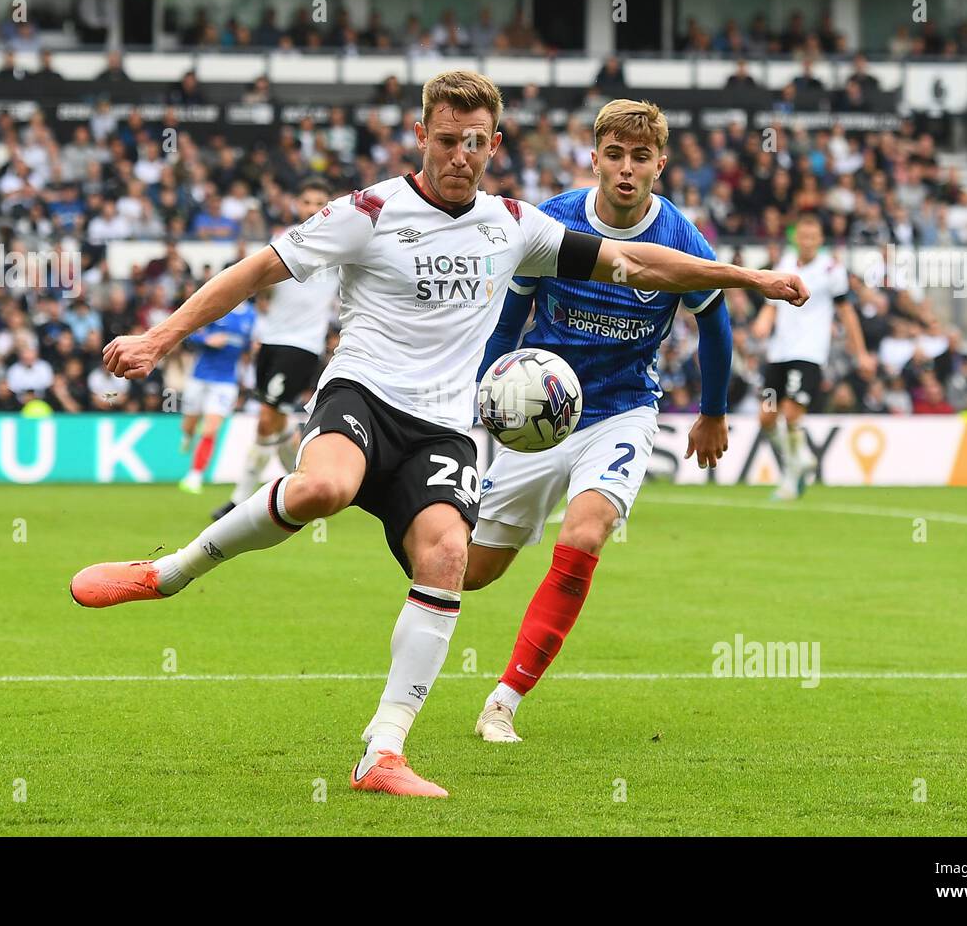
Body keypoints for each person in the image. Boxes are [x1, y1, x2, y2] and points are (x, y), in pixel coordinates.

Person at [69, 70, 808, 799]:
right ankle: (167, 574)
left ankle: (382, 754)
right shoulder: (368, 209)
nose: (461, 155)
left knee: (453, 559)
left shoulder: (517, 225)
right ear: (421, 136)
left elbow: (635, 261)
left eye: (476, 143)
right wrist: (160, 338)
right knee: (325, 487)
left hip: (445, 427)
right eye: (448, 140)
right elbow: (258, 269)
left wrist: (747, 277)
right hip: (364, 392)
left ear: (494, 144)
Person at [461, 99, 733, 742]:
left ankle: (503, 701)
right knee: (471, 571)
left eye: (641, 157)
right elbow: (509, 320)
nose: (627, 169)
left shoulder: (678, 238)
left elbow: (715, 318)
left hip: (622, 410)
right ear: (595, 159)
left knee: (585, 535)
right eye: (615, 155)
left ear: (660, 165)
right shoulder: (552, 223)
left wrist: (712, 411)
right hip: (536, 415)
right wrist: (478, 398)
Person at [215, 179, 339, 520]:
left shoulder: (339, 246)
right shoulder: (283, 241)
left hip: (302, 346)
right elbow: (264, 288)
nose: (313, 209)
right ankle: (302, 483)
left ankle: (240, 498)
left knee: (267, 418)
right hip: (269, 341)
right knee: (277, 418)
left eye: (319, 202)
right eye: (307, 202)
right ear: (296, 204)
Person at [751, 214, 871, 501]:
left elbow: (847, 312)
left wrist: (862, 352)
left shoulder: (831, 269)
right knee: (766, 417)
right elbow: (771, 304)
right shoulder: (785, 263)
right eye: (802, 236)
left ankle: (793, 475)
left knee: (791, 413)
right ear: (796, 238)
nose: (807, 241)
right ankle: (800, 460)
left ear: (820, 240)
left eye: (812, 237)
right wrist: (763, 321)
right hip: (778, 353)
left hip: (808, 354)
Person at [177, 298, 258, 494]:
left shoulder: (252, 315)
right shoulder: (220, 304)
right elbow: (189, 335)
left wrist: (253, 351)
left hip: (225, 382)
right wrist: (206, 340)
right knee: (189, 425)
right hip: (199, 377)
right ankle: (188, 436)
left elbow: (247, 347)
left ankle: (195, 475)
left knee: (210, 429)